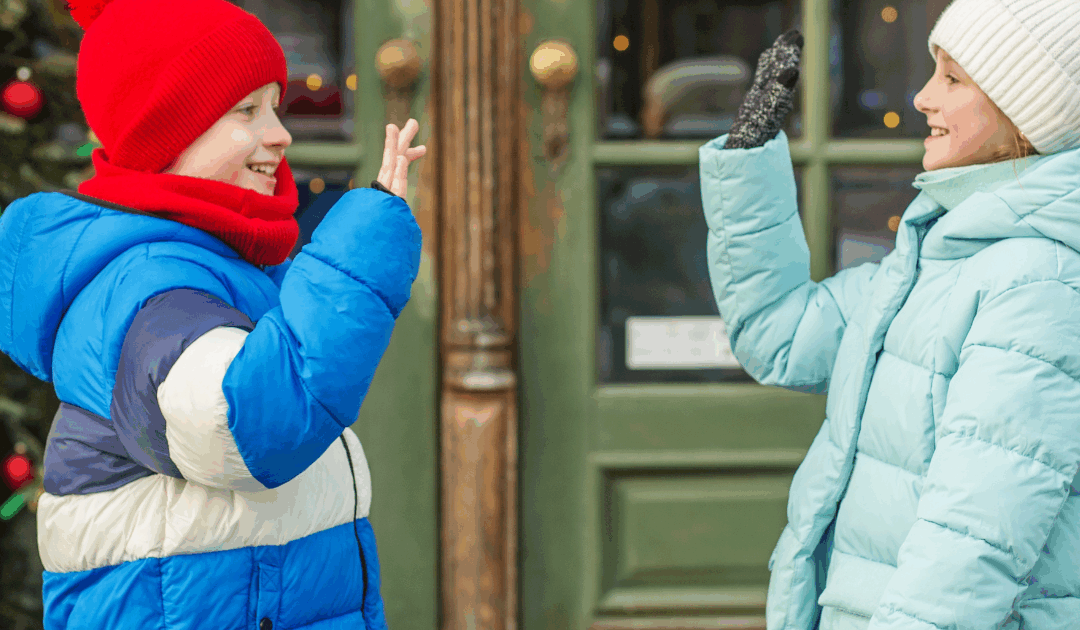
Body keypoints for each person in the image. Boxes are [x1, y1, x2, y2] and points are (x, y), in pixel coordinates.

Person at [0, 0, 426, 628]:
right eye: (247, 111)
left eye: (275, 107)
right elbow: (246, 426)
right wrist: (363, 245)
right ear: (167, 133)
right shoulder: (148, 291)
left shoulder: (214, 267)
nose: (279, 133)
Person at [700, 0, 1080, 627]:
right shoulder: (939, 255)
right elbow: (782, 335)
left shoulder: (1038, 284)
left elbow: (971, 541)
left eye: (953, 79)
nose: (924, 97)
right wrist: (750, 159)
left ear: (1026, 111)